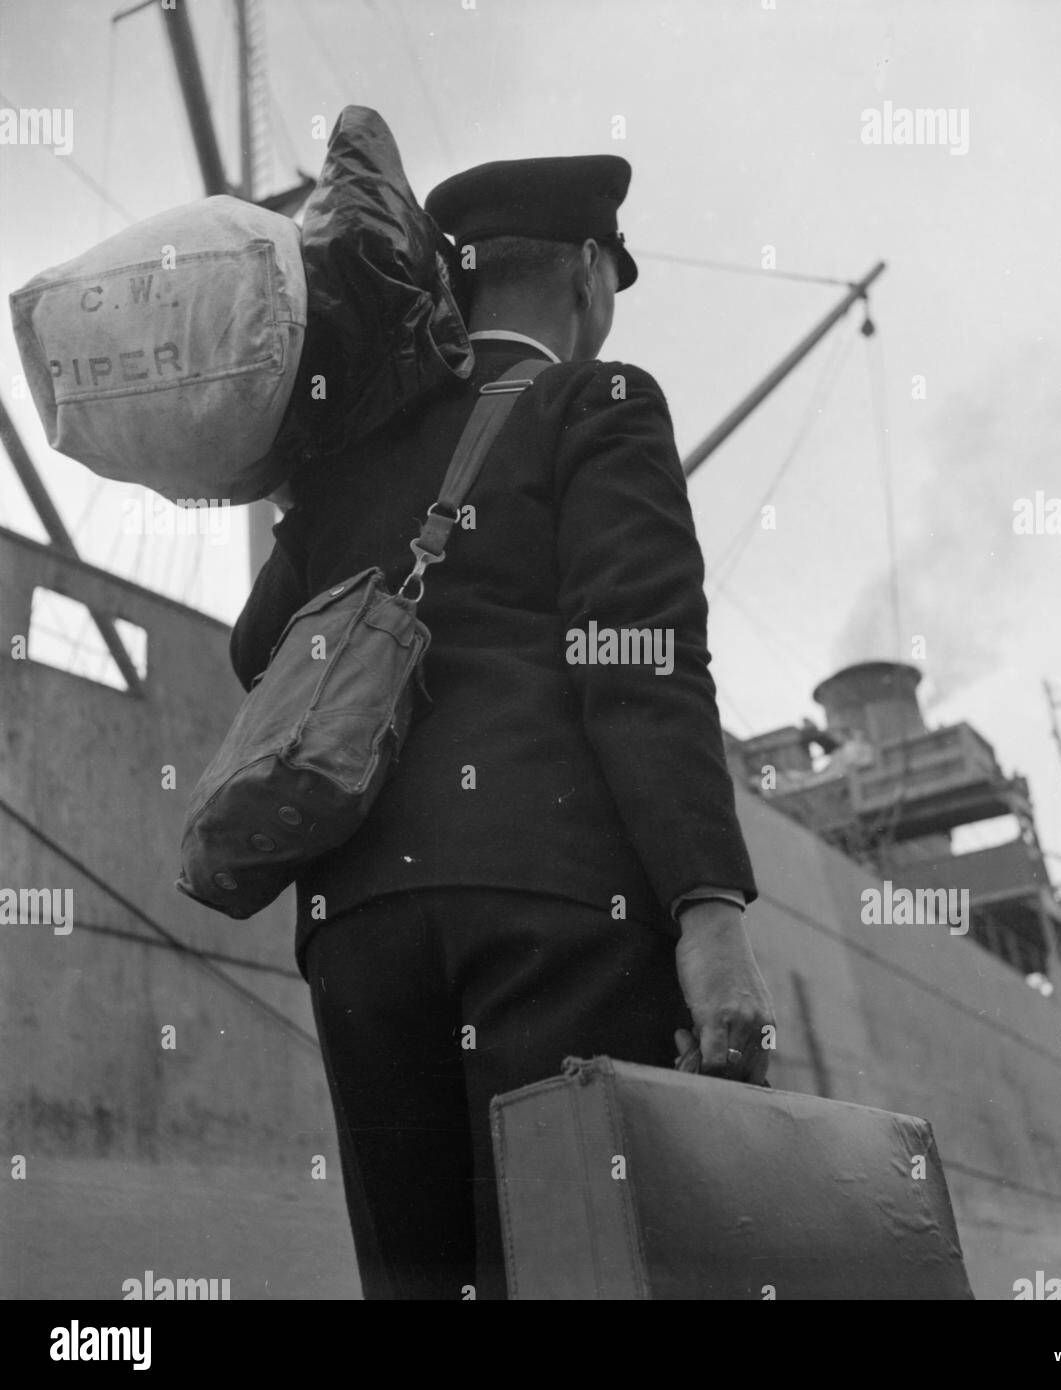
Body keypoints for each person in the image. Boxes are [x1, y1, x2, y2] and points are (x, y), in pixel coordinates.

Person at [230, 153, 775, 1300]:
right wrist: (709, 910)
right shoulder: (602, 401)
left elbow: (256, 650)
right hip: (556, 911)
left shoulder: (349, 451)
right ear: (586, 275)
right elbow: (639, 660)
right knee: (579, 1266)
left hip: (360, 926)